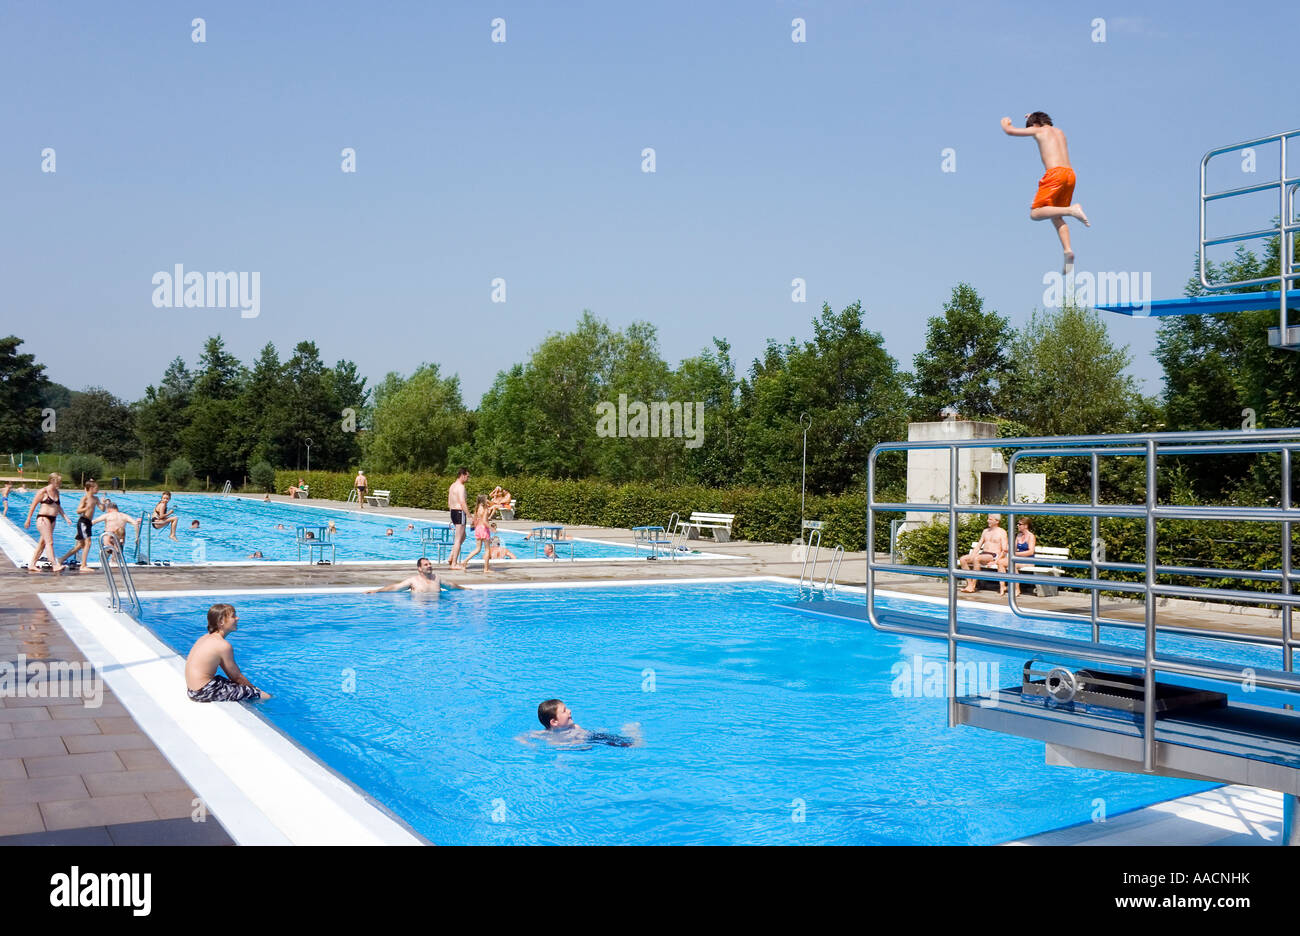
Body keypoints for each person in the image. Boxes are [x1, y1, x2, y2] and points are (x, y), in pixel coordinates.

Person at [1001, 111, 1090, 273]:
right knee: (1055, 215)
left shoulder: (1039, 130)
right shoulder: (1059, 132)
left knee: (1035, 212)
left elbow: (1010, 131)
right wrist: (1032, 117)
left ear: (1035, 125)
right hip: (1070, 175)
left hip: (1054, 174)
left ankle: (1072, 210)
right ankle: (1068, 251)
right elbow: (1042, 124)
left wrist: (1005, 123)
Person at [184, 604, 271, 702]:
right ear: (221, 621)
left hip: (194, 689)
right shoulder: (223, 645)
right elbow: (236, 677)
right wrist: (255, 690)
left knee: (238, 687)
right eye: (233, 616)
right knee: (264, 696)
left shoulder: (205, 638)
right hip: (204, 692)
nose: (237, 618)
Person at [531, 699, 641, 748]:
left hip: (594, 739)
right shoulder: (545, 734)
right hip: (581, 746)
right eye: (564, 711)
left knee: (627, 744)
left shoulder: (574, 727)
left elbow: (584, 738)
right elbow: (522, 737)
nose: (569, 711)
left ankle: (633, 736)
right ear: (554, 722)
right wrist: (531, 745)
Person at [24, 473, 70, 573]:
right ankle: (55, 565)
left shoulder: (57, 492)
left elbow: (58, 506)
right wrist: (28, 519)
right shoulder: (43, 491)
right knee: (50, 542)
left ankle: (32, 564)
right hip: (43, 519)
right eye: (58, 482)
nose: (60, 484)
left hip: (53, 519)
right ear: (52, 481)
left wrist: (65, 517)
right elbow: (33, 505)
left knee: (42, 543)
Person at [58, 479, 104, 572]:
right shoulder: (85, 498)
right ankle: (83, 565)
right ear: (91, 488)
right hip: (83, 522)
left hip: (88, 523)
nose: (98, 490)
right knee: (88, 543)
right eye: (96, 488)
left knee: (80, 545)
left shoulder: (96, 499)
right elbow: (78, 511)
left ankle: (62, 559)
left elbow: (102, 509)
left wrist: (103, 503)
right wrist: (86, 508)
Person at [958, 515, 1009, 593]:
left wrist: (996, 561)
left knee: (977, 559)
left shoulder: (1002, 532)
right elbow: (979, 545)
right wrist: (972, 554)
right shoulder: (985, 531)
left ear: (997, 521)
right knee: (963, 559)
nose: (988, 521)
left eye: (990, 519)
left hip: (993, 555)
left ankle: (973, 586)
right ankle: (970, 584)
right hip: (983, 554)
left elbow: (1004, 549)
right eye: (988, 519)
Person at [366, 557, 461, 595]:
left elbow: (451, 586)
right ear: (419, 568)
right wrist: (376, 591)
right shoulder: (413, 581)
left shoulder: (437, 578)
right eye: (426, 565)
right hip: (419, 613)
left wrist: (465, 589)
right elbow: (395, 587)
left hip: (435, 613)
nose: (429, 566)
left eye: (430, 564)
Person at [457, 495, 495, 572]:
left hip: (478, 529)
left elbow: (475, 520)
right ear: (484, 500)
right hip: (484, 529)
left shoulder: (477, 508)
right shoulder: (485, 508)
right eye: (486, 499)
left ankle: (465, 561)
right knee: (487, 550)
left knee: (477, 549)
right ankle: (486, 569)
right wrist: (491, 528)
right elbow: (484, 521)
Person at [1009, 517, 1038, 597]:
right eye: (1017, 524)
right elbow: (1013, 549)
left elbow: (1031, 551)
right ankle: (1003, 587)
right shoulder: (1018, 536)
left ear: (1026, 526)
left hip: (1028, 561)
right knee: (1001, 563)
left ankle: (1017, 589)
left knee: (1012, 565)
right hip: (1018, 560)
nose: (1018, 525)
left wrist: (1016, 554)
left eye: (1020, 524)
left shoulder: (1031, 536)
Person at [447, 467, 470, 567]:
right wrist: (469, 515)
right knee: (458, 538)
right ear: (463, 475)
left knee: (463, 536)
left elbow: (449, 502)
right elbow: (462, 502)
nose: (468, 479)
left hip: (453, 511)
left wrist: (452, 513)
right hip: (460, 512)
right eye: (467, 476)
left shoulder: (452, 486)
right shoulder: (461, 487)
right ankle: (454, 563)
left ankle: (451, 555)